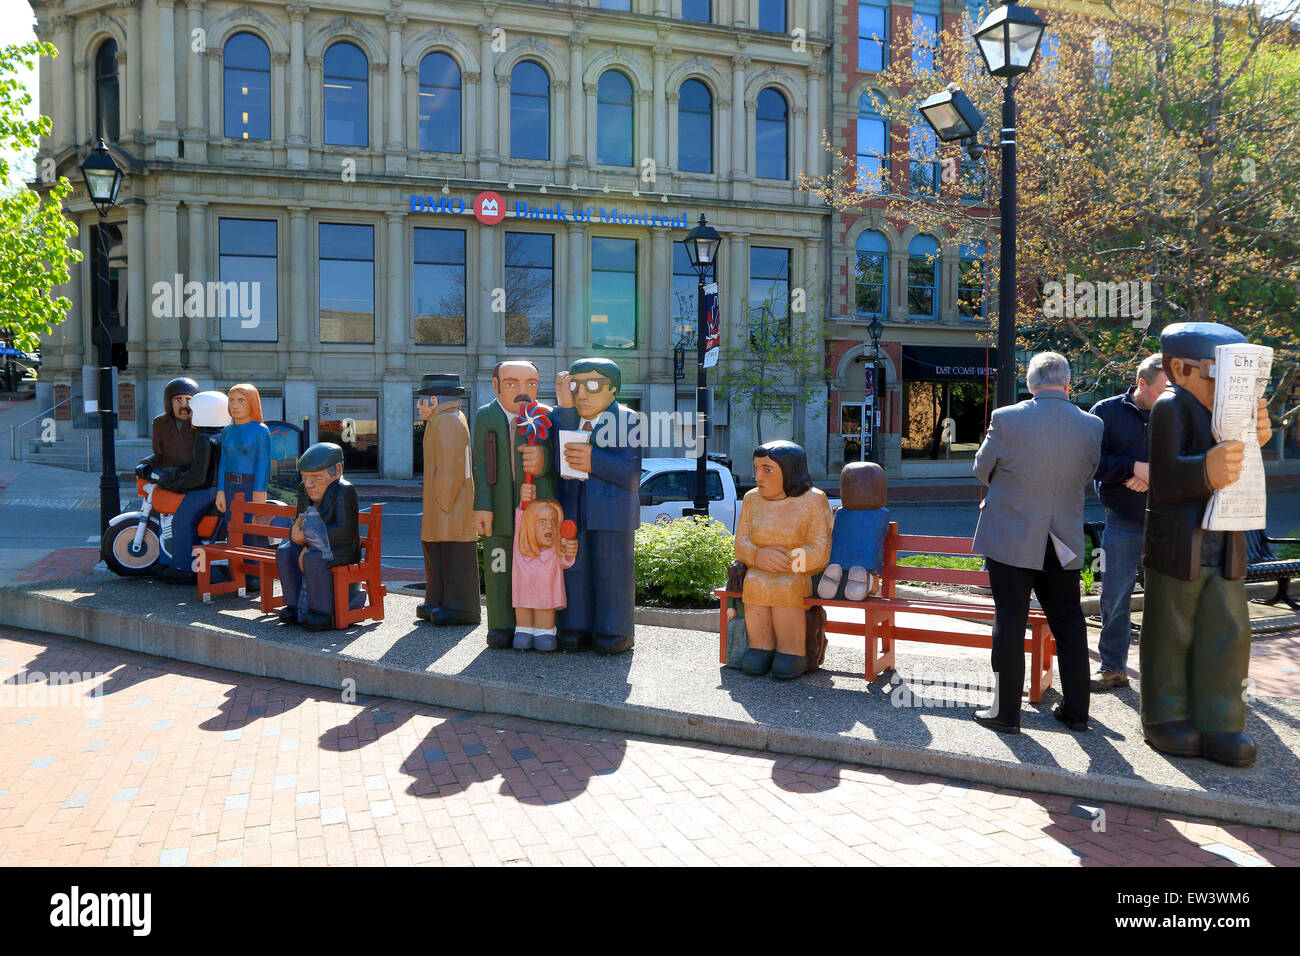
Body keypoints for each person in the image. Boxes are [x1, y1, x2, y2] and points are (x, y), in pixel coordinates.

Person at [1140, 322, 1273, 767]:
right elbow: (1163, 476)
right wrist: (1203, 471)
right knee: (1171, 632)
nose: (1234, 385)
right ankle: (1166, 716)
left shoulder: (1231, 412)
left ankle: (1221, 721)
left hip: (1224, 545)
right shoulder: (1170, 407)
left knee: (1229, 632)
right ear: (1180, 369)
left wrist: (1255, 441)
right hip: (1180, 545)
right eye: (1223, 372)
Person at [971, 352, 1103, 734]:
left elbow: (981, 467)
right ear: (1066, 384)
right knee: (1070, 623)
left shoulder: (1007, 418)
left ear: (1030, 384)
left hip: (1012, 536)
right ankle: (1077, 712)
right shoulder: (1092, 425)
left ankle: (1006, 713)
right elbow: (1088, 473)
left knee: (1009, 621)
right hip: (1063, 539)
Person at [552, 359, 644, 655]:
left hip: (612, 514)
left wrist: (594, 460)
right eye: (575, 385)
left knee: (611, 572)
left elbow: (630, 473)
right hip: (573, 511)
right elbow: (555, 459)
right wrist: (564, 410)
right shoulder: (566, 417)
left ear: (613, 389)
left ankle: (614, 629)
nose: (582, 394)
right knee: (574, 569)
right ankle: (574, 625)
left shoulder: (628, 420)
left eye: (592, 386)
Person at [1088, 354, 1168, 691]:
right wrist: (1132, 468)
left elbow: (1193, 461)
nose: (1170, 395)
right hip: (1122, 520)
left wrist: (1152, 476)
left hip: (1168, 522)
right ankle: (1113, 668)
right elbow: (1090, 462)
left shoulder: (1179, 413)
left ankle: (1165, 674)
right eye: (1163, 388)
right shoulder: (1105, 412)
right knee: (1114, 596)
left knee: (1168, 600)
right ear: (1142, 383)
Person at [732, 441, 834, 680]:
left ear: (790, 471)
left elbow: (821, 546)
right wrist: (757, 555)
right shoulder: (751, 500)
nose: (758, 476)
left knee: (785, 586)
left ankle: (792, 651)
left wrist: (790, 560)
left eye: (768, 469)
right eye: (756, 468)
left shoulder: (813, 500)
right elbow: (741, 542)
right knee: (755, 582)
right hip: (759, 569)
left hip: (798, 572)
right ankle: (761, 647)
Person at [472, 361, 555, 649]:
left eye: (530, 383)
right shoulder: (485, 416)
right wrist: (482, 505)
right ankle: (500, 624)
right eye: (512, 383)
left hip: (533, 512)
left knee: (536, 569)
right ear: (495, 386)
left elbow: (559, 460)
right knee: (498, 566)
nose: (523, 391)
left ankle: (538, 626)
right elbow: (480, 465)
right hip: (499, 508)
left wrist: (543, 462)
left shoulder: (545, 416)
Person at [415, 373, 479, 626]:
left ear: (433, 400)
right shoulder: (441, 419)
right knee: (437, 551)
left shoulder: (449, 421)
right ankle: (438, 599)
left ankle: (460, 607)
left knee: (453, 551)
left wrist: (443, 500)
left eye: (421, 401)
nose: (418, 406)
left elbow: (452, 466)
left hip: (449, 504)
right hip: (440, 504)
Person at [276, 442, 361, 631]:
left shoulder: (344, 491)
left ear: (337, 470)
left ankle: (322, 611)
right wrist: (294, 534)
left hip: (340, 548)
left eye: (316, 477)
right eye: (305, 478)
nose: (309, 484)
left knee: (314, 557)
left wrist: (310, 543)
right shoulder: (303, 490)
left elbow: (343, 531)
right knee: (285, 552)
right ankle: (293, 605)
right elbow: (298, 521)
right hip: (313, 544)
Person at [151, 390, 228, 585]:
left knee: (182, 522)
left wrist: (173, 484)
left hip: (205, 491)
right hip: (217, 488)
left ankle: (183, 568)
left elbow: (198, 477)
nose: (190, 416)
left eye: (193, 412)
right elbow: (201, 467)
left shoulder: (203, 439)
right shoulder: (221, 434)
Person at [510, 498, 578, 651]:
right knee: (523, 617)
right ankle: (523, 630)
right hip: (523, 599)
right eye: (542, 521)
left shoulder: (555, 552)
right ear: (529, 526)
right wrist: (524, 504)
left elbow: (567, 562)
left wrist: (569, 552)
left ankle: (544, 632)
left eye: (553, 521)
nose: (549, 525)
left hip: (545, 601)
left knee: (544, 618)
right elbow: (520, 522)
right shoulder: (520, 552)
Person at [136, 377, 198, 479]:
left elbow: (204, 456)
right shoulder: (159, 423)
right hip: (167, 473)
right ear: (169, 402)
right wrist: (147, 464)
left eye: (188, 399)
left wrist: (185, 469)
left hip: (192, 475)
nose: (183, 405)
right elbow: (159, 454)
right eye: (178, 400)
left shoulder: (200, 423)